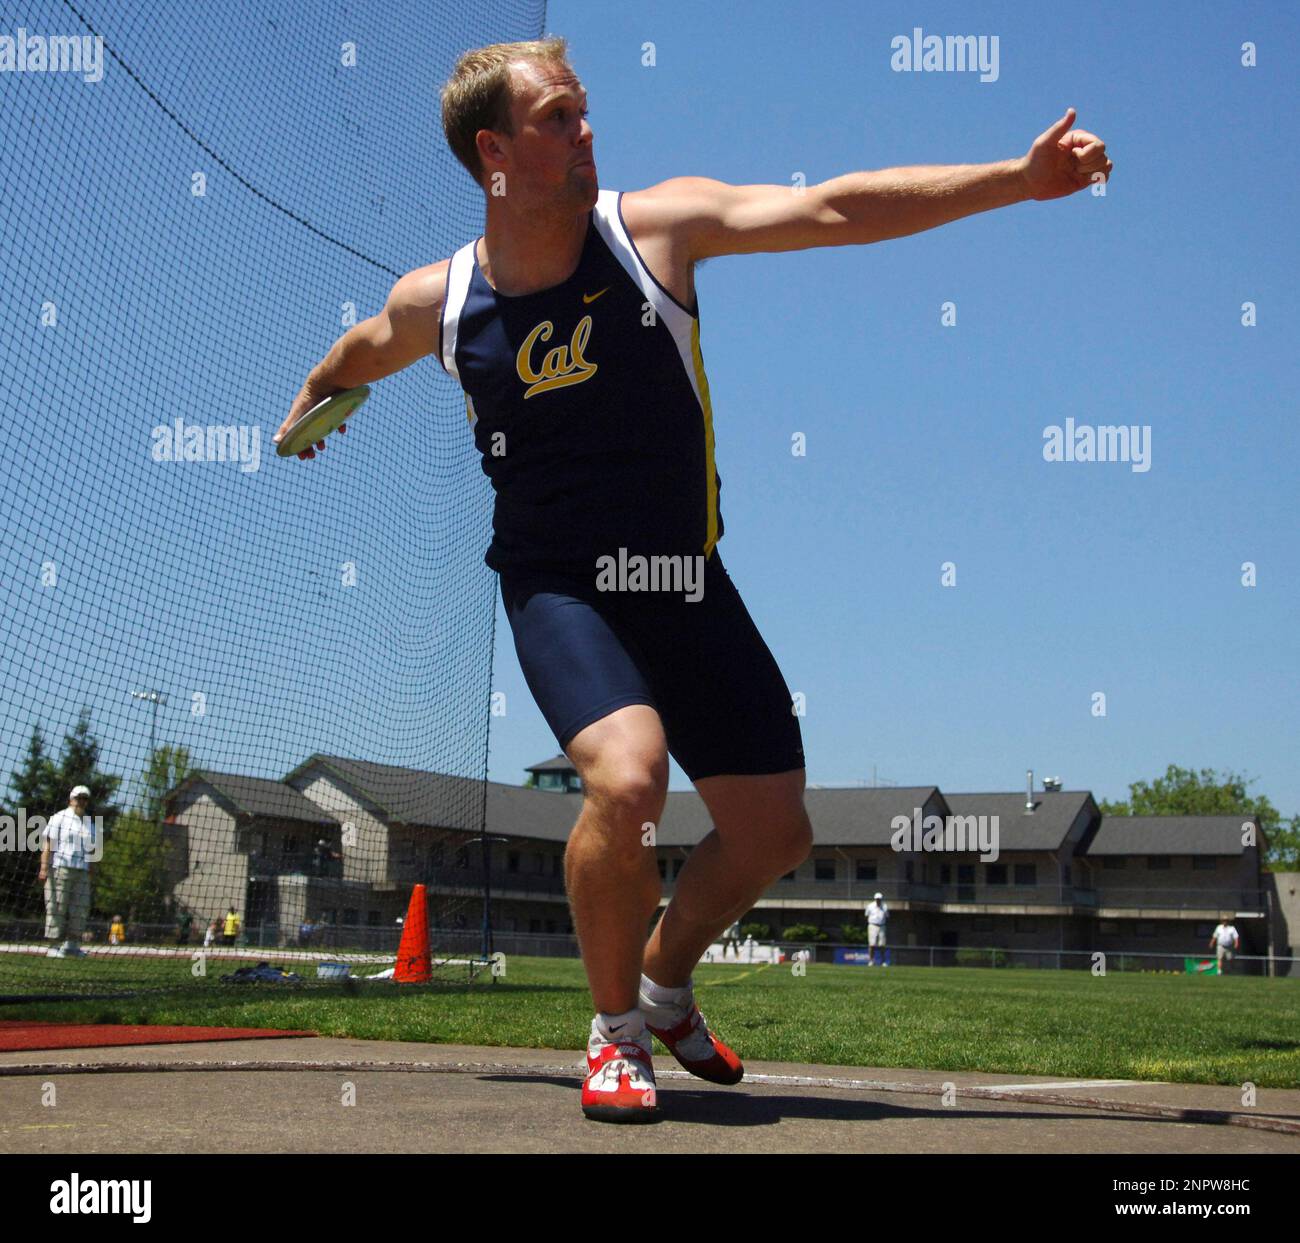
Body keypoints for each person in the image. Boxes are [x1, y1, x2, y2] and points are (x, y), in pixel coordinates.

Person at [277, 38, 1111, 1123]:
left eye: (584, 112)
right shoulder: (441, 302)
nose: (587, 133)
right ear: (493, 152)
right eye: (558, 118)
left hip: (681, 579)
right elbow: (357, 352)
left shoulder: (651, 231)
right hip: (556, 586)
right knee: (628, 781)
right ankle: (615, 1032)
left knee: (775, 834)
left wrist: (1016, 178)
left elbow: (831, 211)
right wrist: (311, 405)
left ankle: (666, 984)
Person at [39, 785, 99, 959]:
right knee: (57, 906)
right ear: (71, 799)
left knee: (80, 909)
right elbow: (48, 844)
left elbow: (92, 849)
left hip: (82, 871)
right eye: (78, 798)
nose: (81, 801)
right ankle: (53, 945)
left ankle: (72, 945)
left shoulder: (89, 822)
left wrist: (91, 869)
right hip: (60, 868)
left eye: (84, 798)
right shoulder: (59, 818)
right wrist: (44, 867)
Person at [865, 892, 889, 967]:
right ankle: (871, 961)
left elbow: (887, 916)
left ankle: (883, 961)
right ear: (875, 899)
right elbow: (866, 915)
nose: (878, 900)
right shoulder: (870, 906)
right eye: (877, 899)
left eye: (879, 899)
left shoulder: (884, 906)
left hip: (882, 926)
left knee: (882, 945)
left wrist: (884, 912)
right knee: (872, 944)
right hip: (872, 925)